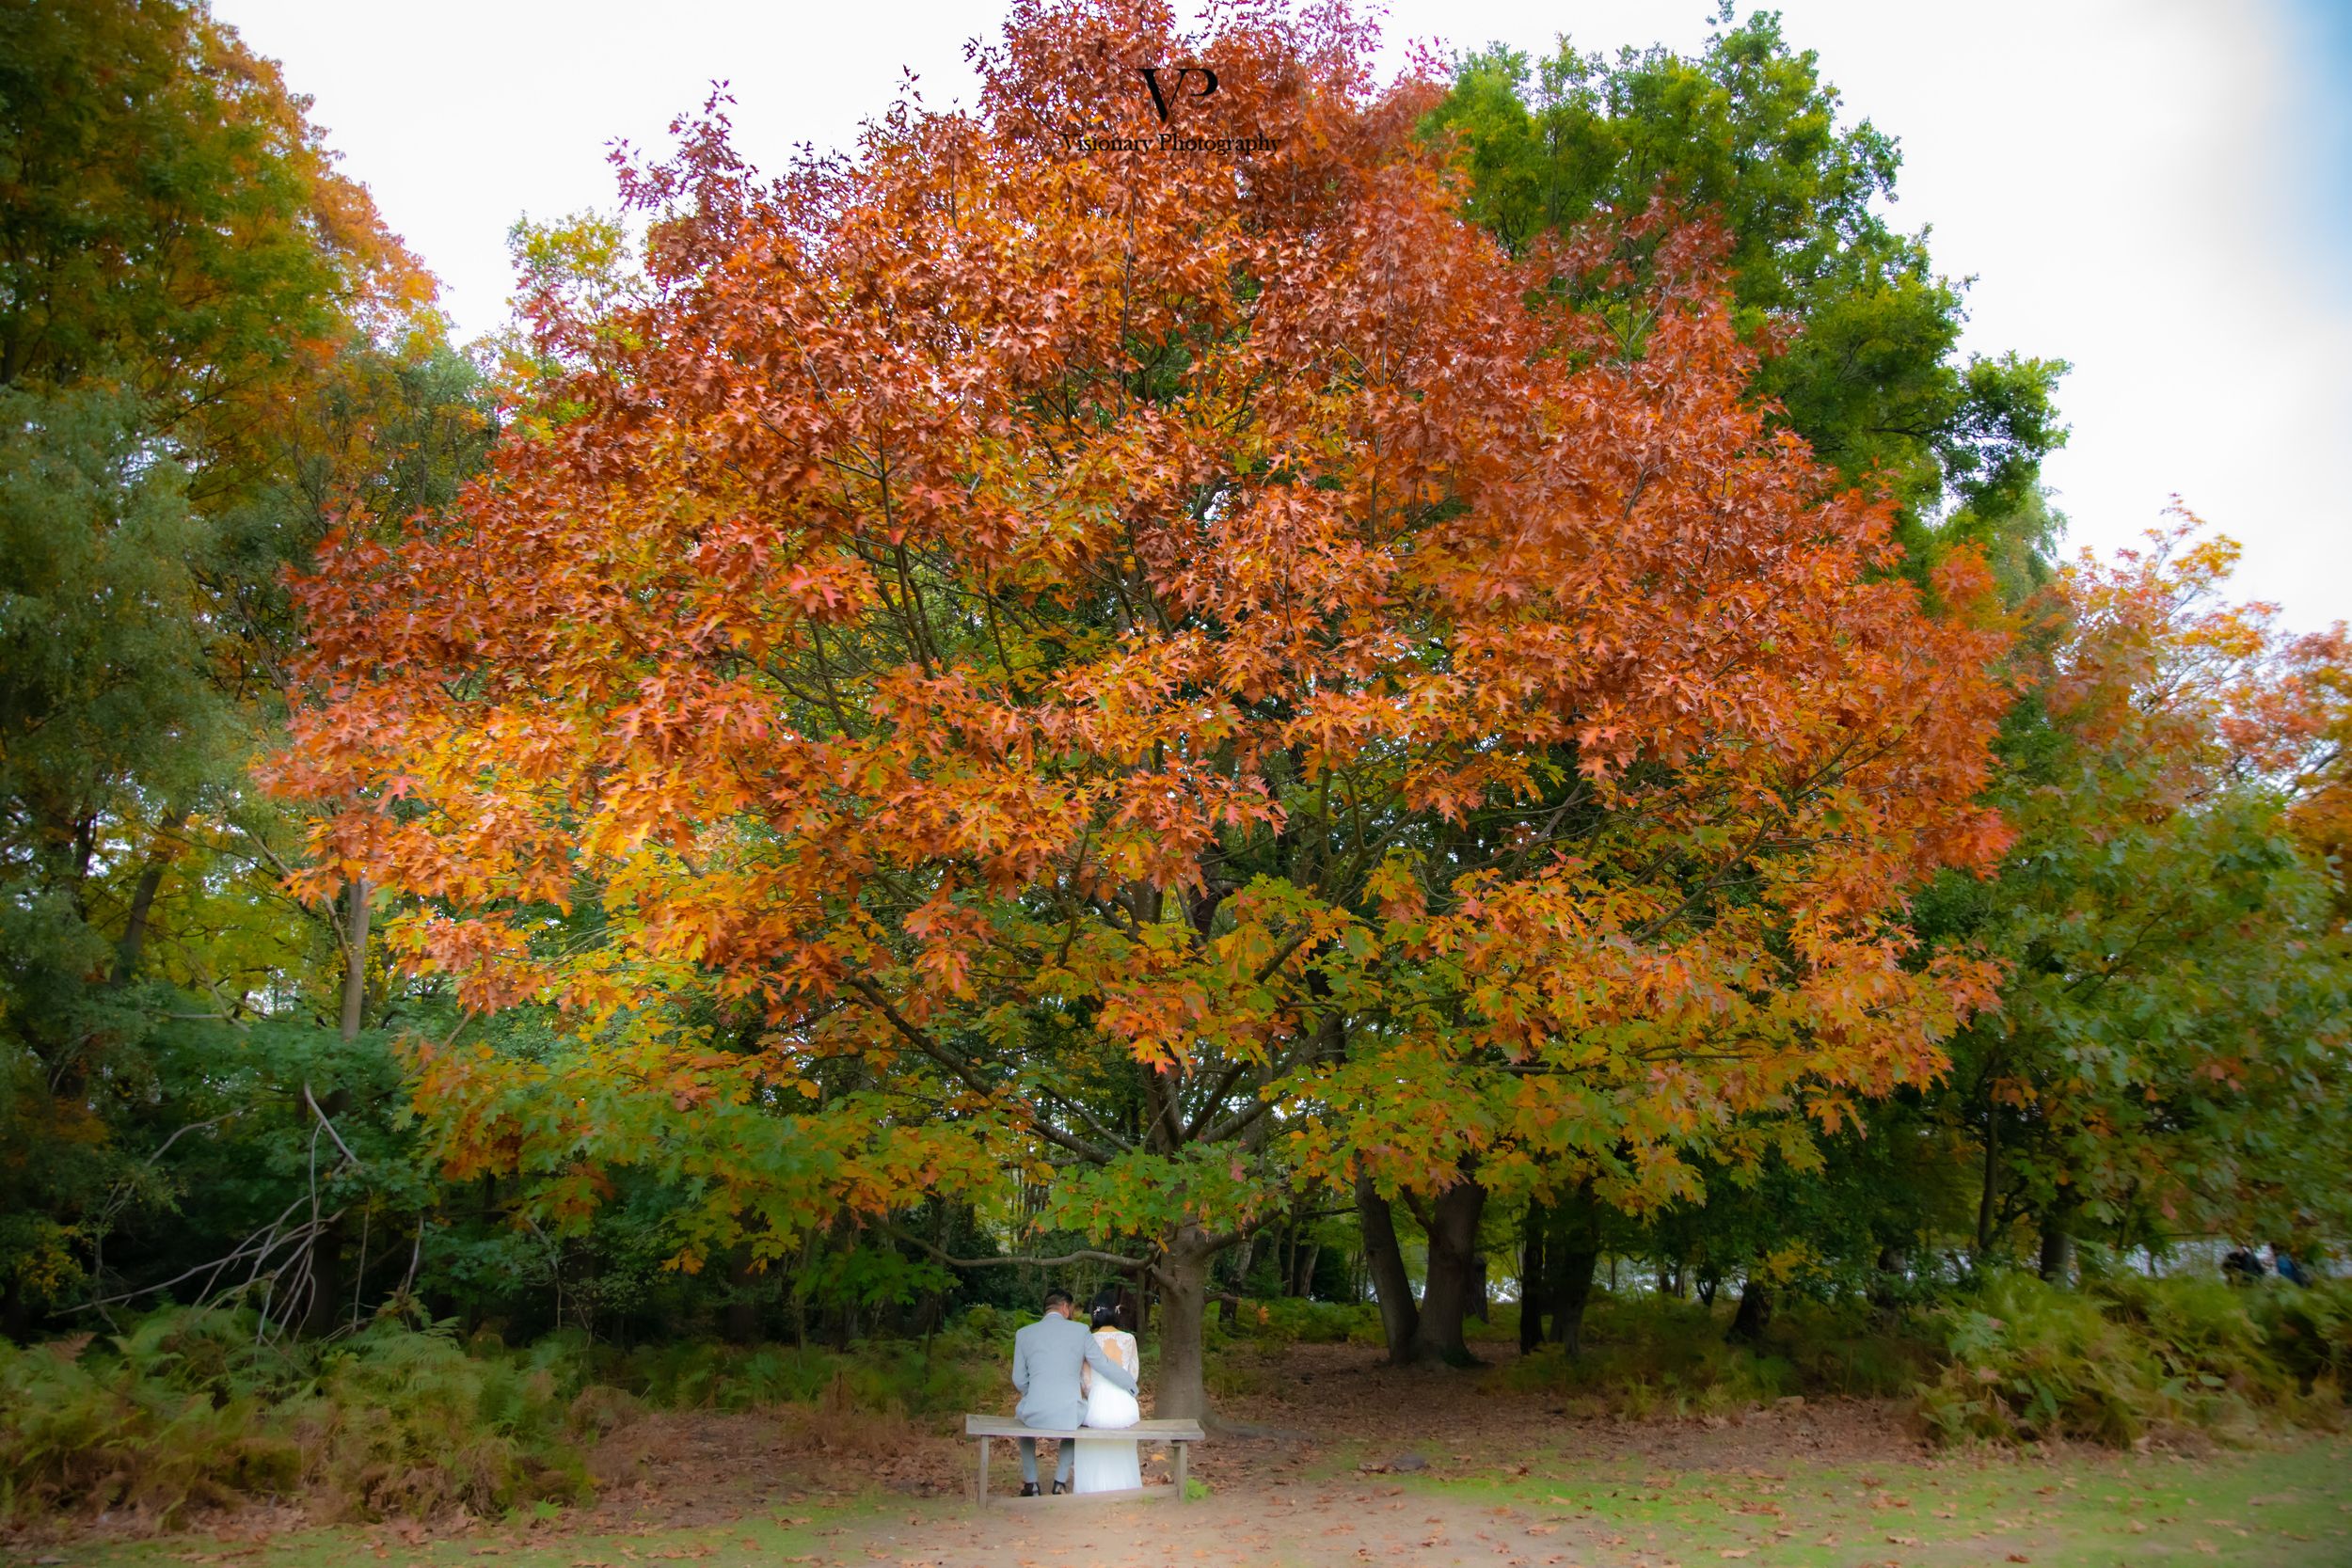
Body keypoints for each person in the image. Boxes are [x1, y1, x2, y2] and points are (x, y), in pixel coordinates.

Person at [1009, 1287, 1136, 1497]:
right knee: (1076, 1421)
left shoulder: (1023, 1334)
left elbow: (1019, 1380)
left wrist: (1036, 1393)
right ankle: (1059, 1482)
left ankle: (1031, 1483)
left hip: (1034, 1413)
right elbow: (1103, 1364)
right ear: (1065, 1308)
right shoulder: (1080, 1331)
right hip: (1069, 1412)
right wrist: (1130, 1384)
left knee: (1021, 1422)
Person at [1072, 1302, 1143, 1494]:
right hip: (1125, 1405)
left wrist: (1094, 1395)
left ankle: (1092, 1487)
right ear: (1116, 1312)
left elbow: (1085, 1381)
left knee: (1090, 1434)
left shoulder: (1088, 1339)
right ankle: (1124, 1485)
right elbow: (1133, 1375)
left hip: (1097, 1401)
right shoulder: (1129, 1339)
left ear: (1095, 1315)